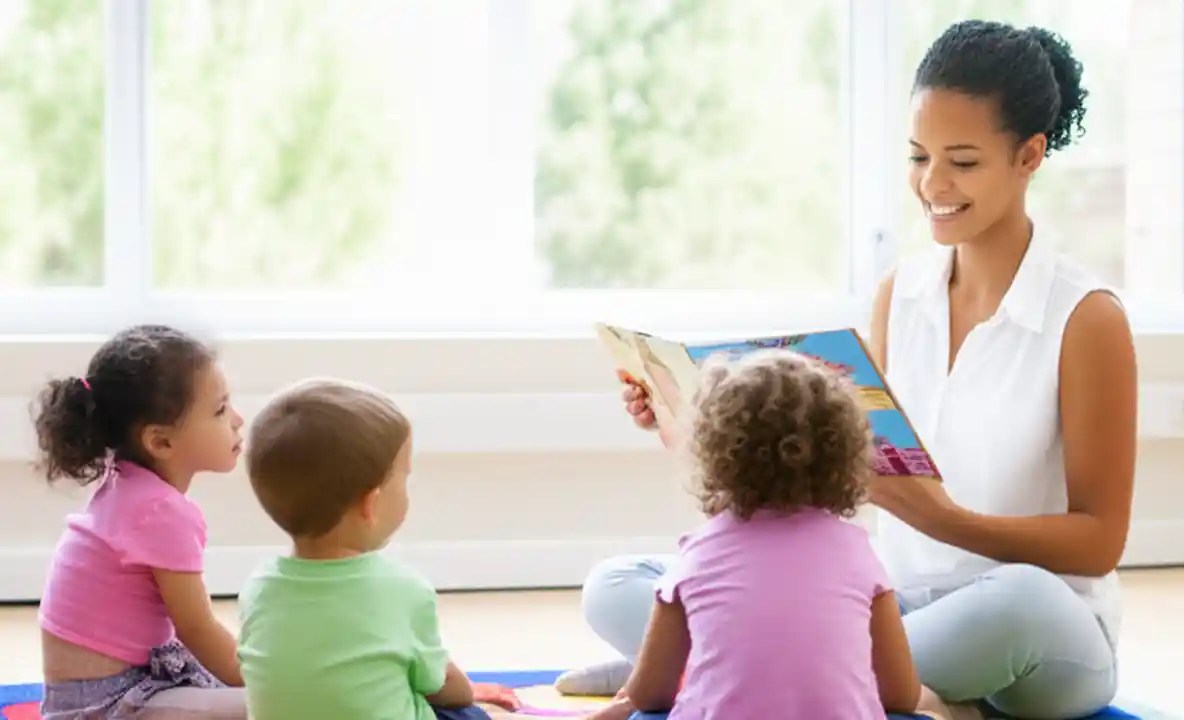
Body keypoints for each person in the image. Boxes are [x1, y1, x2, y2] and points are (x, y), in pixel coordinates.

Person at [564, 19, 1137, 720]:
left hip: (1039, 631)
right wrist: (687, 423)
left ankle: (723, 661)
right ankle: (800, 666)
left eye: (962, 161)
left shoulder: (1087, 319)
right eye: (918, 156)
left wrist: (946, 520)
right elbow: (827, 477)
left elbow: (1100, 539)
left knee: (1022, 602)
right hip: (896, 605)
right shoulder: (903, 293)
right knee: (618, 582)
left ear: (1029, 156)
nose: (933, 184)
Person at [582, 350, 957, 720]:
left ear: (711, 455)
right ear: (846, 457)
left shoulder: (698, 553)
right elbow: (901, 694)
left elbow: (649, 694)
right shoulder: (857, 553)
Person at [236, 378, 520, 720]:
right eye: (405, 477)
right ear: (371, 503)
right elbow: (444, 685)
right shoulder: (402, 589)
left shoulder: (258, 589)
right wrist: (468, 693)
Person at [34, 324, 248, 719]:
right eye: (219, 410)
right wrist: (263, 683)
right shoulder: (162, 513)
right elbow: (196, 628)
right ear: (160, 442)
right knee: (273, 704)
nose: (238, 419)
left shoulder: (127, 482)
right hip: (107, 704)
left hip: (99, 690)